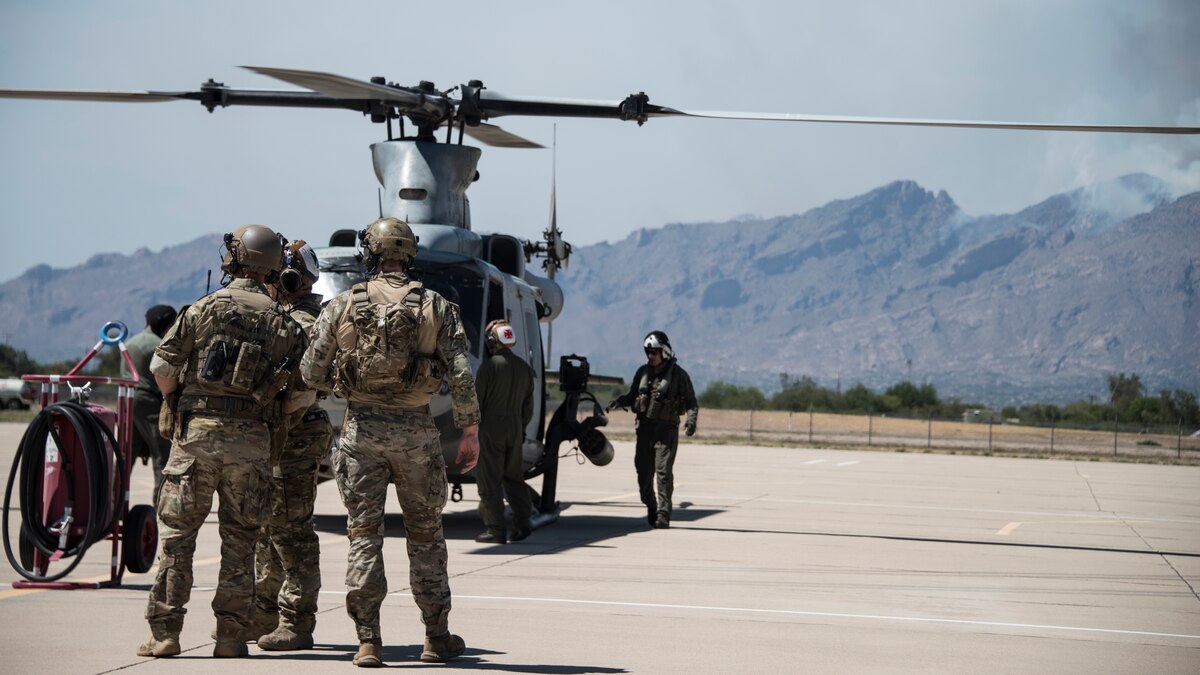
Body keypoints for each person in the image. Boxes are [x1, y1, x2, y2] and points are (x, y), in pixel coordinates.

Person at [300, 216, 480, 668]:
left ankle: (368, 641)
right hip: (417, 435)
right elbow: (460, 373)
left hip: (361, 434)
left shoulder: (341, 304)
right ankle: (436, 637)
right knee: (425, 536)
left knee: (363, 535)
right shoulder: (437, 306)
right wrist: (470, 428)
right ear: (409, 254)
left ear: (371, 253)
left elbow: (309, 373)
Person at [138, 224, 314, 659]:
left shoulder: (203, 309)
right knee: (241, 544)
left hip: (196, 440)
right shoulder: (283, 323)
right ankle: (231, 639)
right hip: (253, 446)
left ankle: (165, 634)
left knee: (178, 539)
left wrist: (176, 399)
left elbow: (161, 367)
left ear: (235, 259)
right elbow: (304, 393)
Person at [253, 240, 335, 651]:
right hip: (282, 434)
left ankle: (297, 621)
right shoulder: (288, 316)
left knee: (290, 530)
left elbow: (302, 387)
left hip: (295, 434)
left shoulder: (303, 321)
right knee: (270, 529)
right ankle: (264, 614)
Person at [607, 330, 699, 529]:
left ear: (664, 352)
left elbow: (692, 402)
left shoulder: (679, 376)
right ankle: (651, 504)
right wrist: (618, 402)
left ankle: (663, 513)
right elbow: (632, 396)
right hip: (645, 431)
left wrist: (691, 422)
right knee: (642, 473)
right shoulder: (643, 373)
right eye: (647, 352)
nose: (650, 356)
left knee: (663, 471)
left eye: (654, 352)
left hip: (666, 431)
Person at [472, 319, 535, 545]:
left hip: (491, 430)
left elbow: (476, 402)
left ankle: (496, 530)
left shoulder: (489, 367)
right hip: (515, 430)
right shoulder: (524, 369)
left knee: (490, 480)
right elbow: (528, 407)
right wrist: (520, 428)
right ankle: (523, 523)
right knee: (514, 478)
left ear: (493, 341)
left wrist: (469, 430)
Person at [122, 304, 177, 506]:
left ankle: (112, 503)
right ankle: (161, 506)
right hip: (149, 401)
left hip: (128, 401)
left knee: (125, 455)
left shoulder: (131, 342)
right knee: (162, 453)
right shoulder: (159, 346)